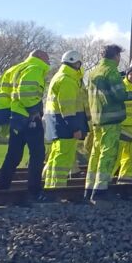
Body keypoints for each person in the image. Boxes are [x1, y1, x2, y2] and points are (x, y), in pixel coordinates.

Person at [84, 44, 132, 203]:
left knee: (96, 153)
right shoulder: (111, 72)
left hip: (97, 118)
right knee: (108, 154)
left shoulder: (94, 72)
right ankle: (100, 190)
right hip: (111, 119)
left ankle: (89, 188)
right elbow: (120, 95)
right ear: (116, 56)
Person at [0, 50, 51, 201]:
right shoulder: (35, 68)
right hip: (29, 118)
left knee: (13, 155)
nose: (48, 61)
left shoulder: (14, 69)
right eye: (47, 58)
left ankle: (2, 189)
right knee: (37, 154)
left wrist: (9, 107)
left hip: (15, 118)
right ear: (39, 57)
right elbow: (25, 92)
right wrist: (33, 111)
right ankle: (35, 192)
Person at [41, 50, 88, 189]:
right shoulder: (67, 80)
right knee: (63, 158)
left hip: (56, 123)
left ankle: (50, 186)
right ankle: (57, 188)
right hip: (65, 125)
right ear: (77, 63)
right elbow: (67, 108)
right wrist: (75, 128)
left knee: (56, 156)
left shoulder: (60, 76)